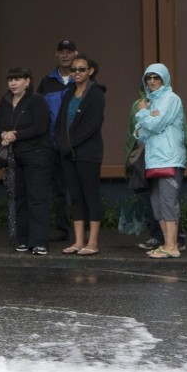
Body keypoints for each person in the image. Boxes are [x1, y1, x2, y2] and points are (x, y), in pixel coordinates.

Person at [0, 67, 54, 255]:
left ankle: (40, 242)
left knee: (37, 198)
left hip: (37, 154)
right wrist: (3, 133)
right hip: (14, 157)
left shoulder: (37, 100)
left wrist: (15, 135)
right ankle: (24, 240)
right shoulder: (5, 101)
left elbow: (41, 126)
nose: (13, 83)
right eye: (10, 80)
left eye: (17, 79)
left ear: (27, 81)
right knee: (19, 198)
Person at [135, 64, 186, 259]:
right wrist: (148, 117)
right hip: (153, 160)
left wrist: (143, 114)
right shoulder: (151, 103)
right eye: (148, 78)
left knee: (167, 202)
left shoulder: (171, 99)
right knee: (157, 204)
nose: (152, 81)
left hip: (170, 159)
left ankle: (173, 246)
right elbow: (139, 134)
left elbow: (153, 125)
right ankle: (167, 244)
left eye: (157, 77)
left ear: (165, 79)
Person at [56, 54, 105, 256]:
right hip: (67, 153)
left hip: (88, 153)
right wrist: (61, 144)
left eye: (81, 69)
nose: (76, 73)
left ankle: (92, 242)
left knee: (90, 196)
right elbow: (60, 122)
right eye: (74, 69)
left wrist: (70, 143)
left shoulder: (96, 94)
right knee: (75, 197)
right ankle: (78, 241)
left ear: (90, 71)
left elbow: (92, 125)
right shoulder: (68, 93)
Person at [36, 39, 78, 242]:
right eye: (61, 51)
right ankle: (62, 229)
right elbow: (38, 112)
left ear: (75, 53)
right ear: (57, 54)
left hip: (76, 144)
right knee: (59, 191)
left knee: (80, 188)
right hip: (52, 145)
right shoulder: (47, 82)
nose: (65, 55)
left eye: (69, 51)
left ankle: (83, 229)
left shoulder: (81, 79)